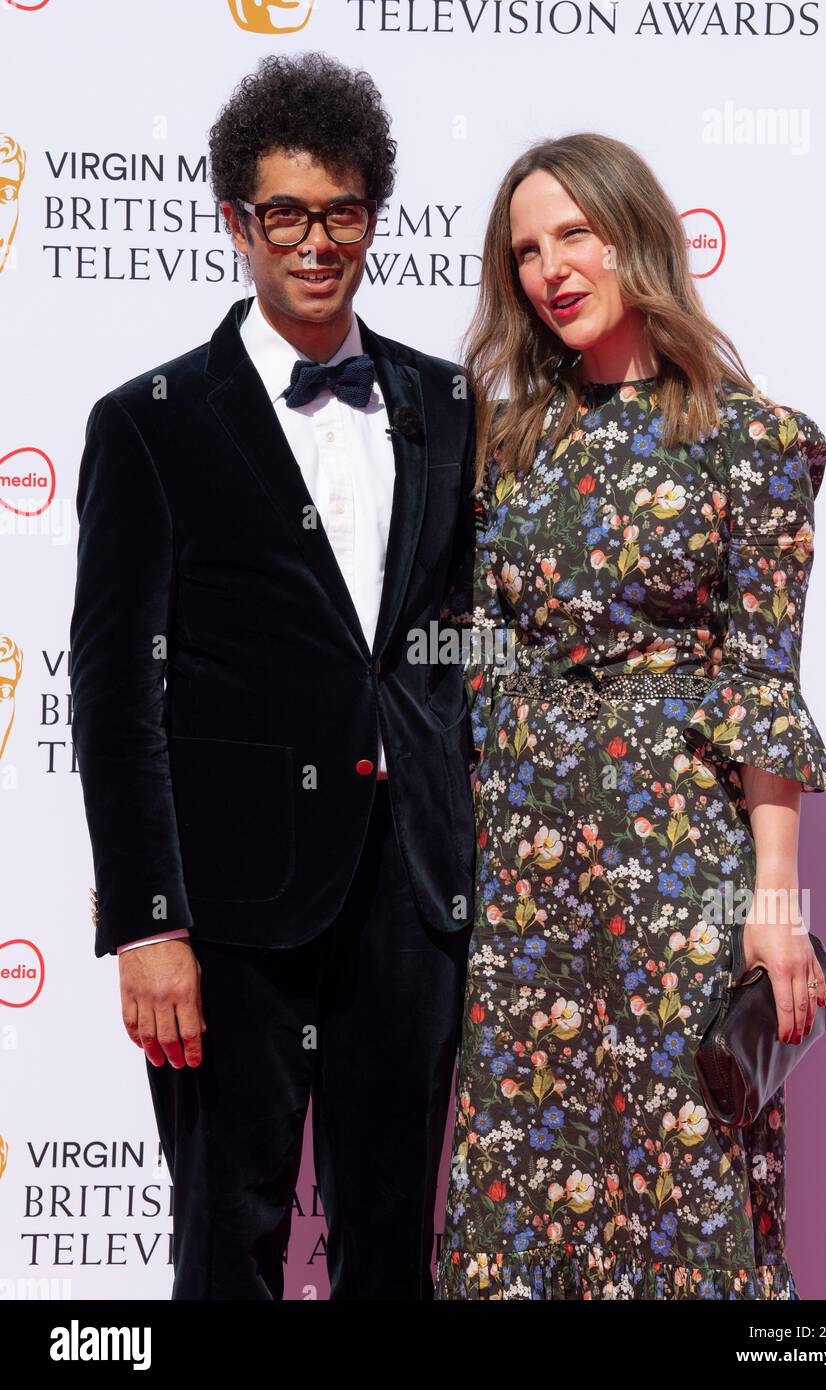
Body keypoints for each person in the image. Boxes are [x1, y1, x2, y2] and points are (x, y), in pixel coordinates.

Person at [70, 53, 477, 1300]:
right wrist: (147, 921)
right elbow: (111, 694)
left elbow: (457, 641)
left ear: (374, 215)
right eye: (286, 214)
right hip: (230, 915)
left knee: (393, 1247)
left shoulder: (448, 402)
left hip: (407, 899)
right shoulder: (148, 421)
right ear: (236, 221)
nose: (316, 243)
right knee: (223, 1243)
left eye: (342, 211)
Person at [435, 132, 826, 1300]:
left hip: (676, 862)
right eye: (525, 249)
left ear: (637, 234)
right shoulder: (500, 446)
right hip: (525, 874)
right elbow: (467, 658)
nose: (551, 268)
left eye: (576, 233)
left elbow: (765, 682)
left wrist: (777, 902)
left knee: (682, 1167)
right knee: (521, 1168)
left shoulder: (754, 444)